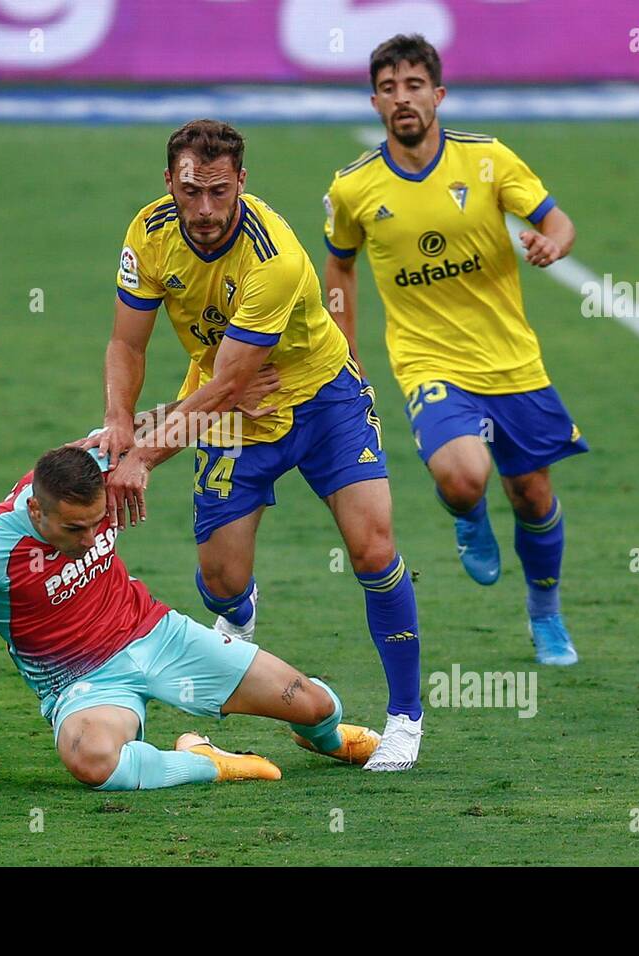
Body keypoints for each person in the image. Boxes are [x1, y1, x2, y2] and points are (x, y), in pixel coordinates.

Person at [96, 118, 425, 770]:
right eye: (192, 192)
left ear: (242, 182)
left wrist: (141, 458)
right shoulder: (150, 233)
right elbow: (127, 343)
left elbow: (231, 385)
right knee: (221, 581)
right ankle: (240, 610)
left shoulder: (270, 256)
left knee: (374, 547)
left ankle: (405, 715)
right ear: (169, 183)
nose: (207, 209)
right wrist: (117, 421)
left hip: (320, 399)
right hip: (229, 408)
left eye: (220, 191)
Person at [0, 442, 382, 790]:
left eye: (96, 523)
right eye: (74, 528)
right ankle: (202, 761)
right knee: (93, 761)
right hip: (82, 684)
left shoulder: (94, 461)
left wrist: (228, 398)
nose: (89, 539)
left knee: (314, 705)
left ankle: (328, 739)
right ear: (36, 509)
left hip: (158, 635)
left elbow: (161, 425)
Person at [322, 34, 586, 665]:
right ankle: (466, 513)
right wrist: (346, 348)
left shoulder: (488, 159)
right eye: (388, 89)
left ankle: (545, 611)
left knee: (533, 496)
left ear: (438, 95)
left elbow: (556, 219)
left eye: (414, 86)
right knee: (465, 476)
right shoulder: (353, 189)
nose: (402, 99)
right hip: (428, 360)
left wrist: (555, 243)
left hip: (511, 359)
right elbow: (339, 268)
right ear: (375, 103)